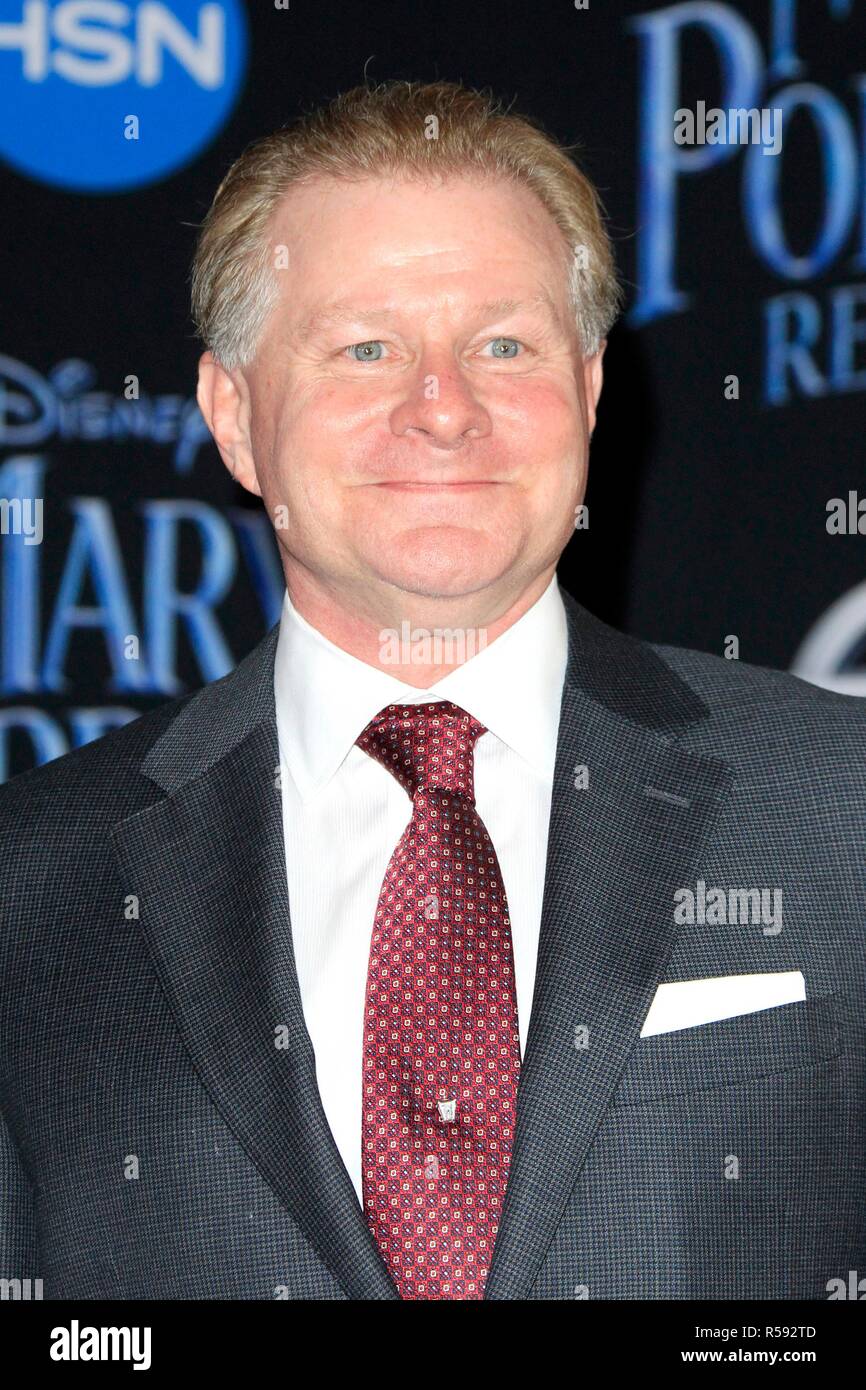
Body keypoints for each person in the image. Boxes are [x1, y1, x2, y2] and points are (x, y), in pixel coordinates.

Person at [1, 80, 864, 1302]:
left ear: (591, 391)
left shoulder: (845, 802)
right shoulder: (30, 887)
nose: (444, 408)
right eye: (367, 348)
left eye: (501, 344)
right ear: (235, 418)